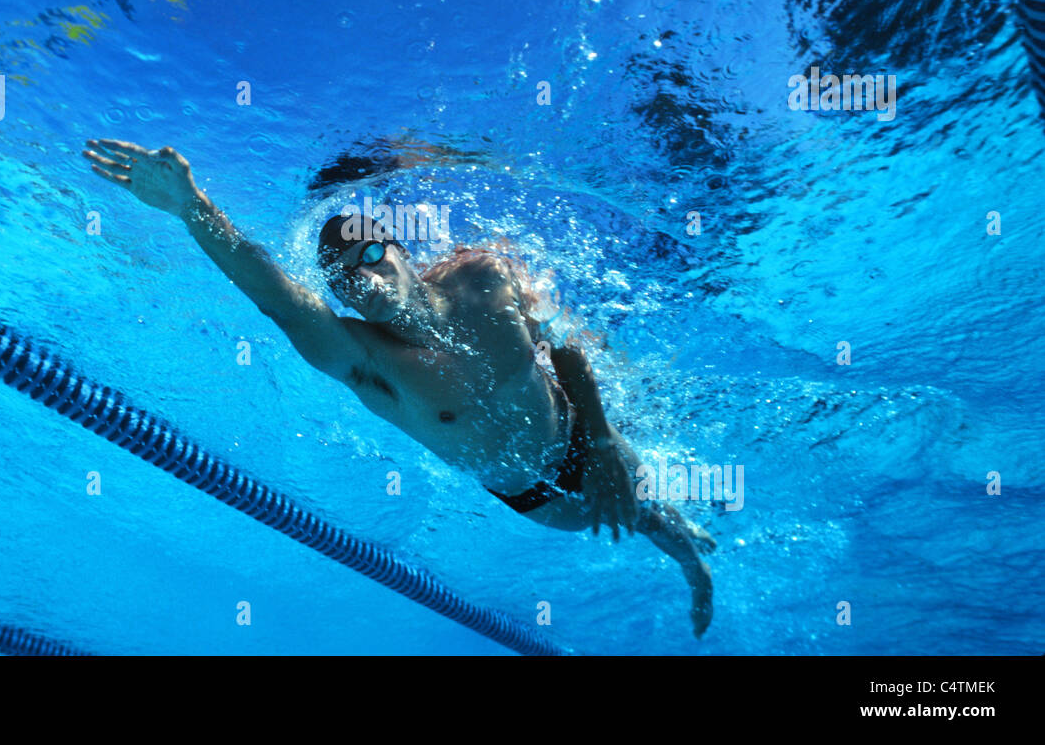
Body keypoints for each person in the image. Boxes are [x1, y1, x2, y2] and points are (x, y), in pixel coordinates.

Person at [83, 138, 716, 636]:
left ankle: (687, 553)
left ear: (398, 249)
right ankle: (677, 546)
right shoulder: (368, 360)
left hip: (587, 434)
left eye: (365, 253)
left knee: (653, 510)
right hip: (540, 503)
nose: (359, 275)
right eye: (340, 277)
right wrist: (191, 207)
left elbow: (566, 348)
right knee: (627, 518)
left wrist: (602, 441)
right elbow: (274, 295)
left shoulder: (485, 277)